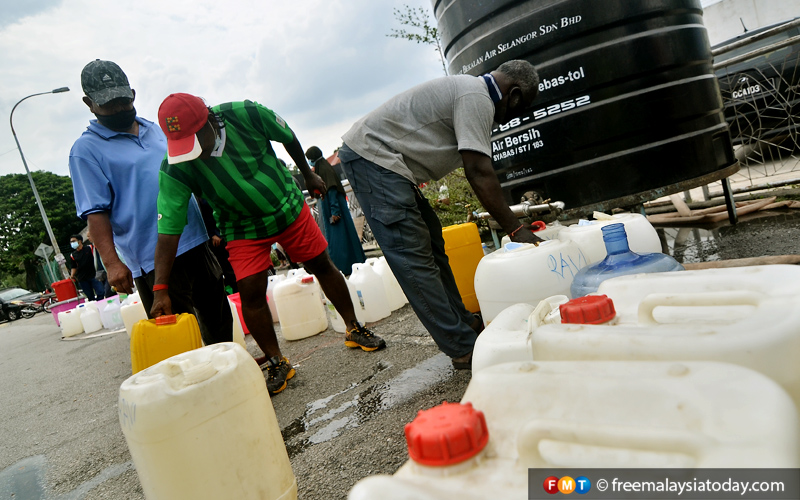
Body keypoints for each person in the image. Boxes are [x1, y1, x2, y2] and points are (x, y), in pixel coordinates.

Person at [151, 93, 386, 395]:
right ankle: (277, 361)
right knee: (250, 289)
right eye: (183, 146)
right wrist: (160, 288)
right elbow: (168, 229)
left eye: (195, 141)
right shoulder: (175, 166)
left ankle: (354, 327)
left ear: (209, 119)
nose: (193, 153)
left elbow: (287, 136)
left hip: (286, 206)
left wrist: (307, 173)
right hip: (241, 227)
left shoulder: (246, 113)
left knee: (320, 264)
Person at [337, 60, 544, 370]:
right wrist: (515, 229)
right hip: (374, 158)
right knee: (413, 259)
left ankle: (462, 323)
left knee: (432, 245)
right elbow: (478, 171)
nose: (510, 117)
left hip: (389, 165)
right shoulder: (477, 98)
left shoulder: (471, 92)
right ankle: (462, 348)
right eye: (520, 107)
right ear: (513, 95)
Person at [68, 59, 233, 346]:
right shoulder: (86, 151)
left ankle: (230, 377)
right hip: (152, 257)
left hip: (195, 240)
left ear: (132, 94)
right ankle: (194, 388)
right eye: (109, 104)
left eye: (122, 100)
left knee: (219, 318)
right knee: (179, 334)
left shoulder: (155, 129)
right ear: (89, 103)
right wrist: (113, 264)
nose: (119, 109)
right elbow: (95, 215)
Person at [305, 147, 366, 275]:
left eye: (309, 159)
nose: (309, 162)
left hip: (333, 211)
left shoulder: (324, 170)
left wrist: (335, 212)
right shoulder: (323, 168)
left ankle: (342, 268)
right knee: (342, 239)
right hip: (331, 209)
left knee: (338, 242)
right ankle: (350, 265)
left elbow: (332, 190)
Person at [68, 234, 105, 301]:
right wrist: (72, 275)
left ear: (80, 241)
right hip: (82, 278)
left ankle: (101, 304)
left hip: (94, 275)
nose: (72, 243)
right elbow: (74, 267)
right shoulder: (73, 255)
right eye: (71, 242)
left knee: (101, 292)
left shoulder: (90, 248)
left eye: (74, 241)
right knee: (90, 296)